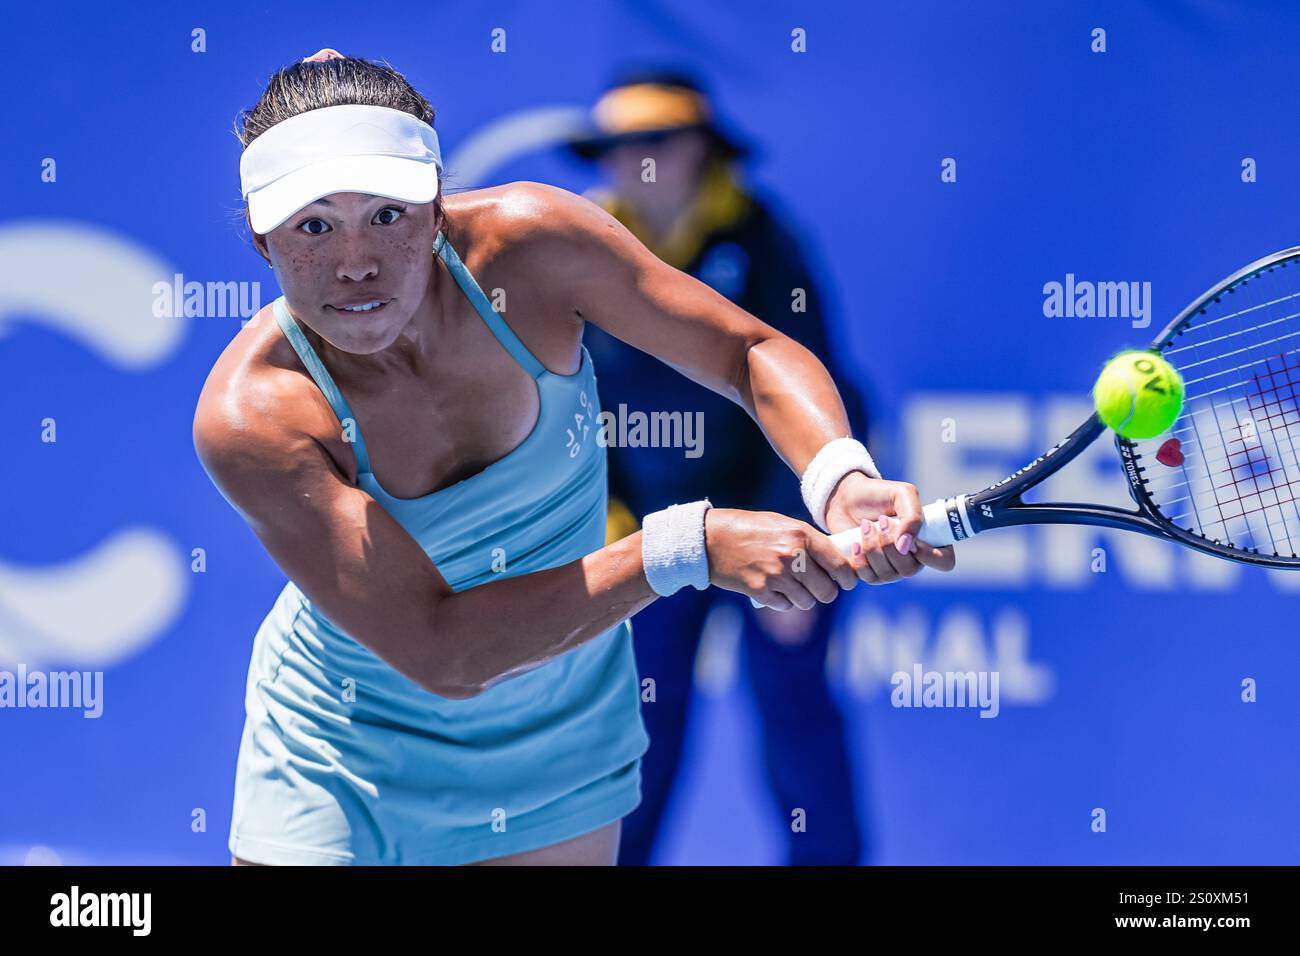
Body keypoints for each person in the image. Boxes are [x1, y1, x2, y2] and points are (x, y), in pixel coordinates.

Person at [193, 50, 954, 867]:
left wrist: (837, 476)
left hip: (561, 748)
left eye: (387, 214)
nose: (355, 263)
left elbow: (747, 352)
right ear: (261, 237)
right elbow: (442, 650)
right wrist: (683, 548)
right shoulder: (253, 415)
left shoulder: (537, 247)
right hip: (339, 764)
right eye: (314, 224)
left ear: (437, 207)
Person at [569, 68, 877, 865]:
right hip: (652, 530)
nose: (635, 161)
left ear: (703, 149)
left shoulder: (767, 245)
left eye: (658, 141)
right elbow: (571, 412)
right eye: (617, 145)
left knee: (793, 708)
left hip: (775, 522)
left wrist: (804, 538)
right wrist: (613, 533)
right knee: (637, 727)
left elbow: (818, 391)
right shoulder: (583, 252)